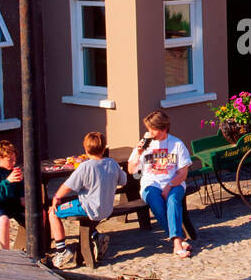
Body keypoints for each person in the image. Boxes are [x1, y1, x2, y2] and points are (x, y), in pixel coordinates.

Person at [48, 131, 127, 270]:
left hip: (88, 207)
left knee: (53, 213)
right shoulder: (112, 163)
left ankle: (61, 251)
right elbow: (124, 180)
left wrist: (56, 198)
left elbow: (68, 186)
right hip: (107, 208)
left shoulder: (85, 167)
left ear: (85, 149)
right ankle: (96, 236)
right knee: (83, 215)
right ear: (104, 149)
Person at [128, 109, 193, 258]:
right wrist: (138, 153)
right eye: (148, 129)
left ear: (163, 128)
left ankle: (177, 242)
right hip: (151, 184)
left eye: (152, 129)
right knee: (156, 203)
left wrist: (169, 186)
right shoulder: (145, 145)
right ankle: (178, 240)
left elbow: (183, 173)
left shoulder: (176, 144)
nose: (149, 132)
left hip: (174, 182)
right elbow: (132, 170)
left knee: (173, 200)